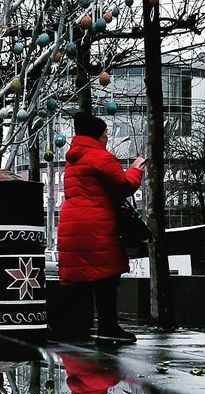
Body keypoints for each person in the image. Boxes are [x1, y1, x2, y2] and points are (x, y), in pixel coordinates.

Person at [57, 112, 146, 344]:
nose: (107, 138)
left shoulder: (72, 159)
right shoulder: (100, 157)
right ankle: (108, 327)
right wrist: (136, 168)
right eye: (105, 134)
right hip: (97, 223)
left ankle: (76, 328)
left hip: (72, 222)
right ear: (96, 136)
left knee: (81, 277)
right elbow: (124, 186)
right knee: (107, 277)